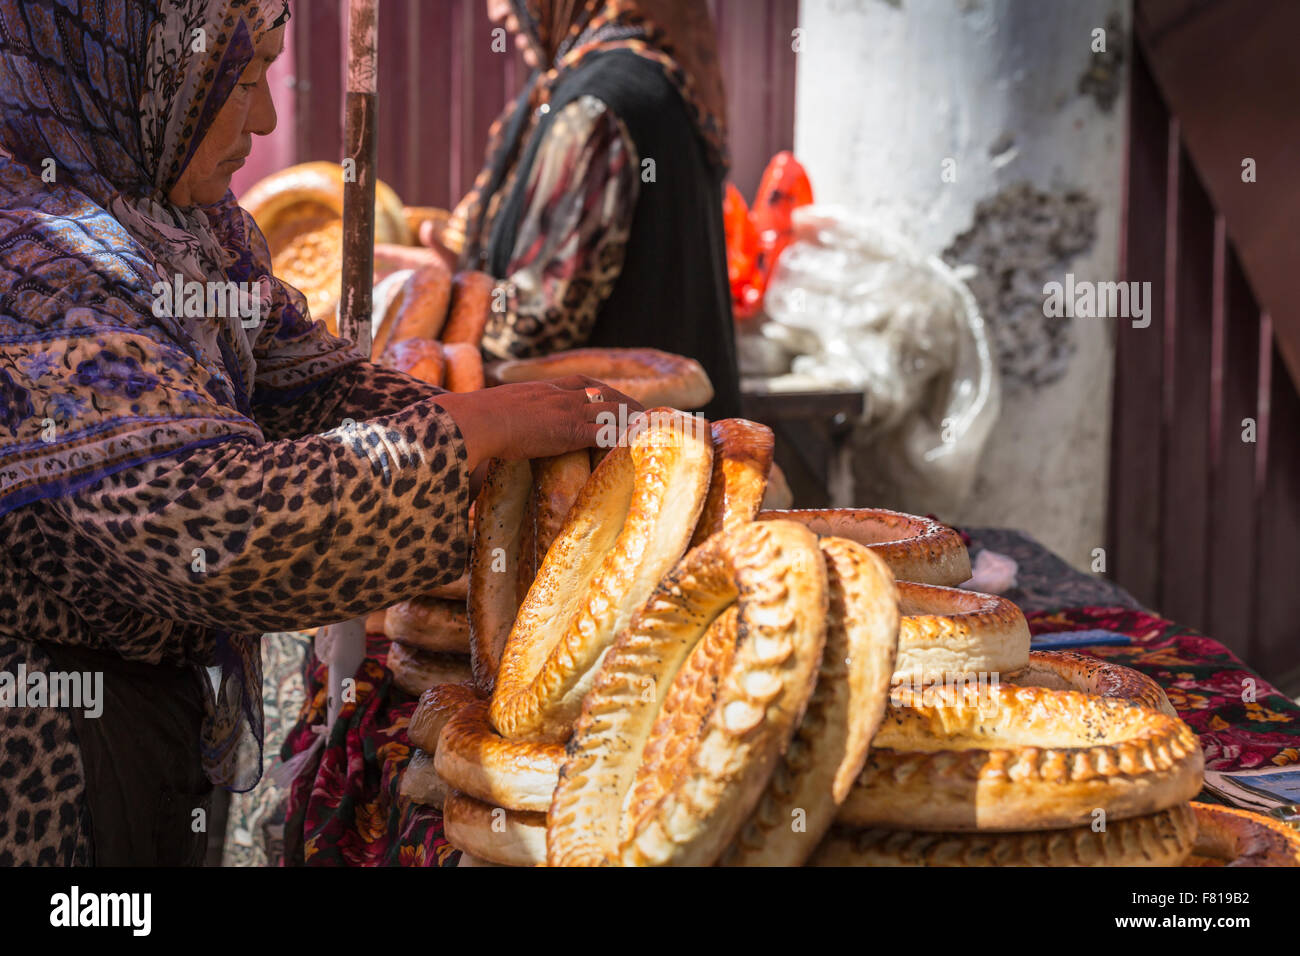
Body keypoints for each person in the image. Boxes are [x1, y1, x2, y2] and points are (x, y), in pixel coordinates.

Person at [0, 0, 638, 866]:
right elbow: (220, 527)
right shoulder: (34, 269)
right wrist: (465, 432)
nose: (262, 117)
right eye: (241, 75)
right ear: (134, 73)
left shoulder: (182, 228)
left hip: (159, 708)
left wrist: (500, 429)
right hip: (49, 740)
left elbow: (310, 386)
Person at [432, 0, 742, 419]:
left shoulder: (597, 106)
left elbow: (539, 324)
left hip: (627, 458)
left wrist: (438, 307)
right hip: (668, 445)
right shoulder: (640, 78)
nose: (497, 13)